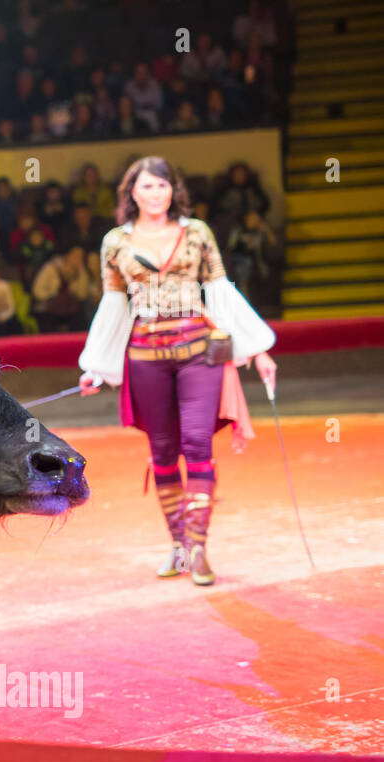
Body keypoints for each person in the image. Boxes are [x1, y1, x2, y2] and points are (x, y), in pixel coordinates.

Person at [77, 156, 277, 585]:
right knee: (164, 450)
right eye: (146, 187)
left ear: (174, 190)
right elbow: (113, 306)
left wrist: (259, 349)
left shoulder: (197, 232)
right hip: (145, 354)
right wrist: (96, 367)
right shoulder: (115, 242)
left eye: (162, 186)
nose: (155, 194)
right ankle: (180, 547)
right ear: (131, 192)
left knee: (197, 442)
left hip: (198, 350)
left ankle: (200, 547)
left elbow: (220, 290)